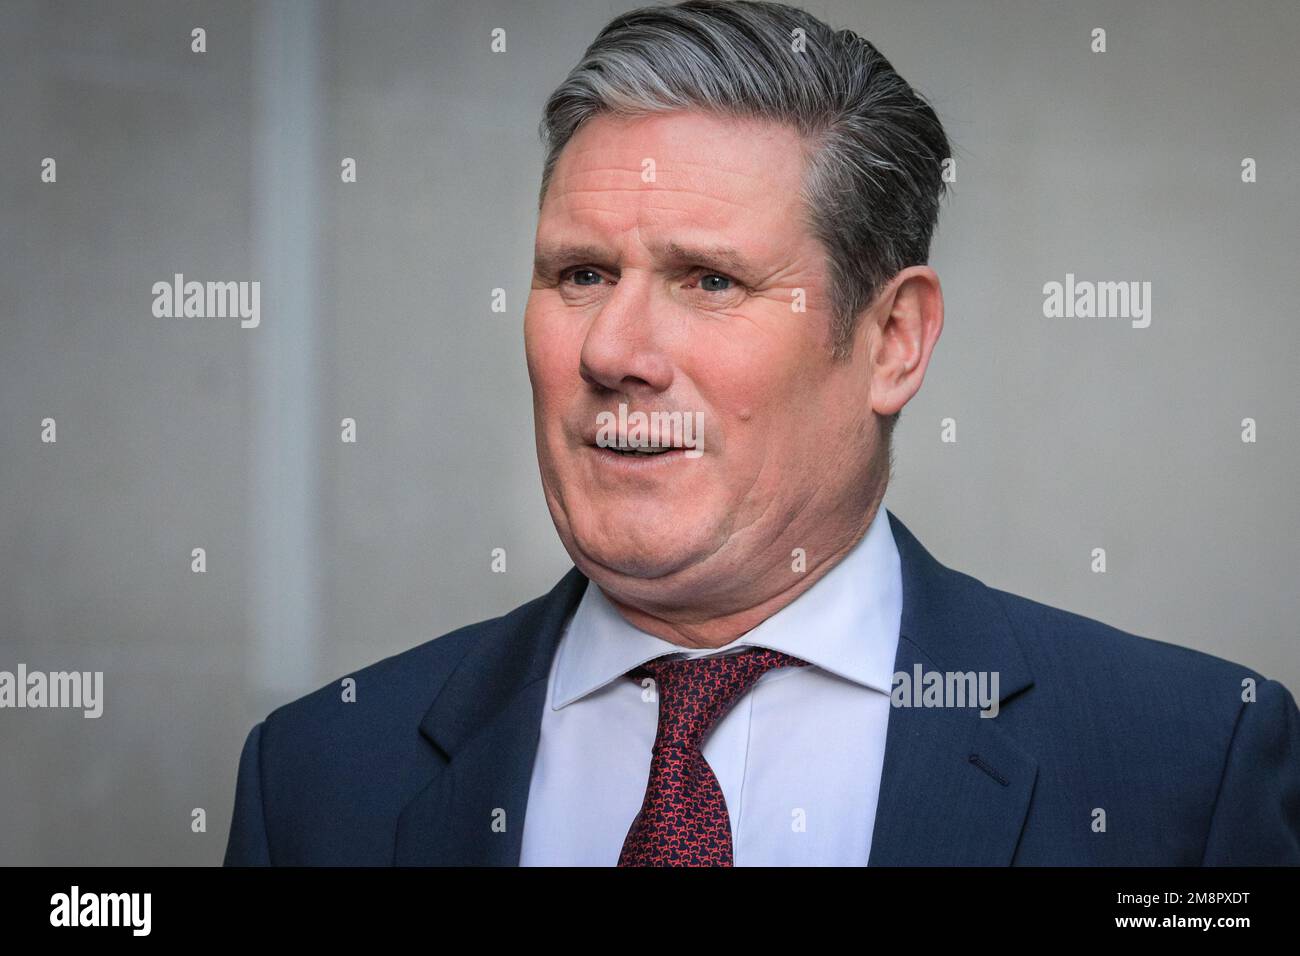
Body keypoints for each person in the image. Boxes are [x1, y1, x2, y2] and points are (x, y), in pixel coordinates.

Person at [223, 0, 1299, 866]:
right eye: (581, 274)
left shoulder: (1182, 764)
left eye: (709, 280)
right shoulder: (319, 777)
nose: (613, 350)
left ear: (891, 340)